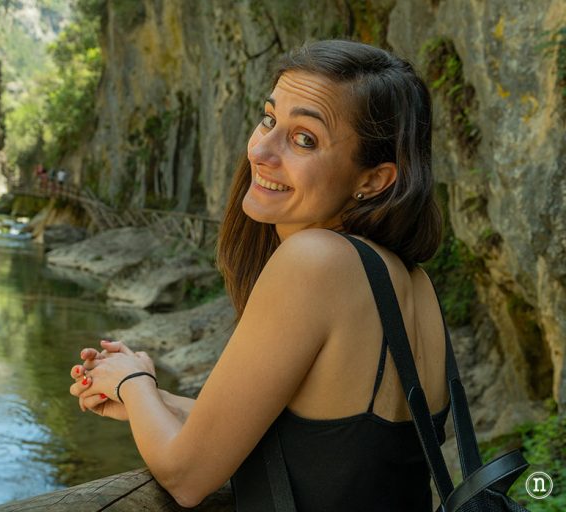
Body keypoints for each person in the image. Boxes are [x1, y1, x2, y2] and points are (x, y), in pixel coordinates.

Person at [69, 39, 449, 511]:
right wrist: (151, 399)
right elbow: (330, 448)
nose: (261, 150)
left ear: (373, 179)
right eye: (269, 119)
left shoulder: (315, 260)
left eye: (304, 139)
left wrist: (133, 383)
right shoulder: (412, 281)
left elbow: (187, 477)